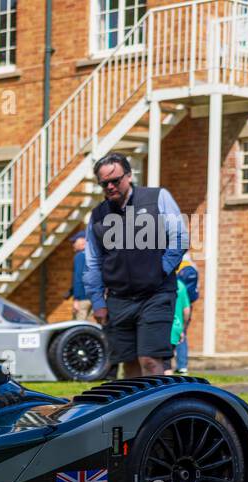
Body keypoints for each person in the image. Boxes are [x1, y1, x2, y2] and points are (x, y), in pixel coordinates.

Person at [83, 152, 189, 377]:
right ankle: (136, 412)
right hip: (119, 299)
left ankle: (157, 410)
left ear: (129, 176)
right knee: (128, 363)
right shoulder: (97, 216)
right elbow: (93, 263)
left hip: (155, 295)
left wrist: (160, 269)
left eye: (115, 180)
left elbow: (179, 238)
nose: (110, 186)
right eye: (104, 183)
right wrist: (97, 302)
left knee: (150, 360)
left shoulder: (156, 198)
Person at [172, 253, 199, 375]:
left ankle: (169, 364)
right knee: (182, 334)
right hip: (186, 302)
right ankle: (182, 366)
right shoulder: (191, 264)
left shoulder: (173, 258)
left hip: (174, 301)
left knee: (172, 333)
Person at [165, 275, 192, 376]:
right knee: (167, 361)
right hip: (176, 327)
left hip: (161, 326)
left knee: (163, 364)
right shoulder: (180, 285)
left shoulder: (158, 283)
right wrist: (182, 328)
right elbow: (186, 311)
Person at [68, 231, 92, 321]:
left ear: (83, 241)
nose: (73, 245)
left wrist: (76, 299)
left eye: (74, 242)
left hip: (83, 298)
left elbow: (78, 278)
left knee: (79, 327)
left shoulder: (79, 256)